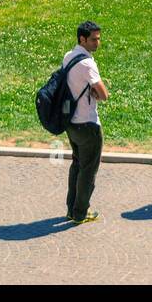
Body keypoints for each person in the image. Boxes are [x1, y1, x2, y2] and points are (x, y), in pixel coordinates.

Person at [62, 21, 108, 225]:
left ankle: (71, 208)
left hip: (71, 122)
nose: (97, 43)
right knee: (88, 170)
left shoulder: (68, 56)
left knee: (77, 165)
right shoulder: (88, 63)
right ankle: (81, 212)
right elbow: (103, 94)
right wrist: (96, 93)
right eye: (93, 39)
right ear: (82, 39)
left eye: (98, 38)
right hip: (88, 124)